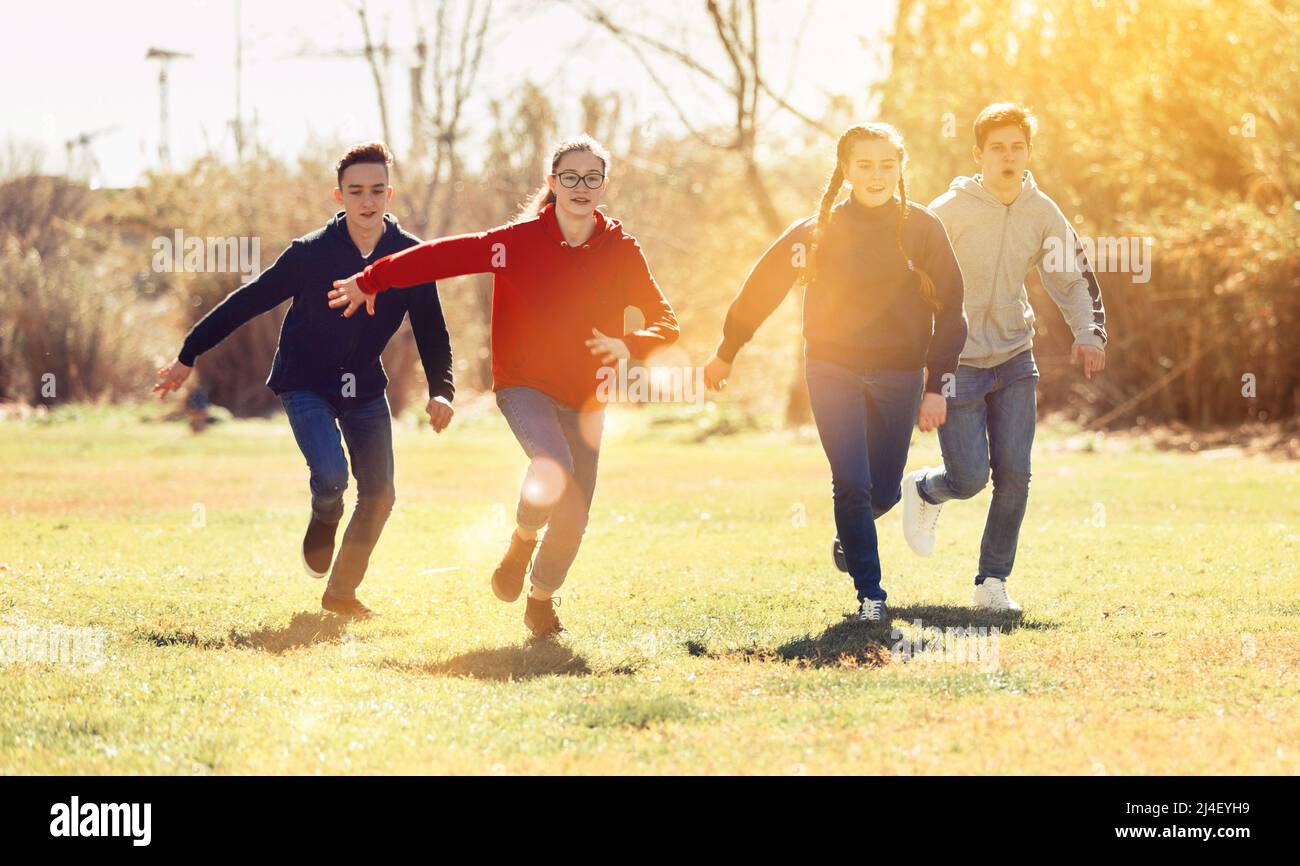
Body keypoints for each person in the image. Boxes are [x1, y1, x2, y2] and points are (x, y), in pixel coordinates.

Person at [329, 135, 679, 638]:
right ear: (552, 183)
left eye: (593, 178)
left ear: (604, 185)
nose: (582, 187)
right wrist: (372, 278)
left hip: (587, 394)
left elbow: (666, 321)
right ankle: (523, 536)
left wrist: (632, 343)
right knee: (552, 465)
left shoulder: (621, 248)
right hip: (525, 384)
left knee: (576, 512)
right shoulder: (514, 243)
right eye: (571, 177)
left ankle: (540, 599)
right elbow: (439, 258)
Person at [154, 142, 455, 620]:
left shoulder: (410, 257)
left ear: (390, 194)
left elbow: (432, 331)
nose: (367, 201)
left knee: (380, 495)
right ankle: (325, 513)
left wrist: (442, 390)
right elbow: (248, 300)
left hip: (365, 387)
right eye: (355, 191)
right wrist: (189, 353)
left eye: (377, 190)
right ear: (339, 196)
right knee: (333, 477)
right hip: (305, 382)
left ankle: (340, 593)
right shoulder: (310, 254)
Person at [702, 123, 967, 622]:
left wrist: (937, 383)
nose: (876, 175)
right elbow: (763, 288)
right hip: (833, 369)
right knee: (850, 482)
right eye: (864, 165)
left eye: (887, 164)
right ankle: (871, 596)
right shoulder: (816, 232)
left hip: (900, 373)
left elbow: (953, 309)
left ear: (901, 167)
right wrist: (727, 349)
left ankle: (852, 537)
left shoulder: (922, 228)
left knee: (883, 490)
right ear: (845, 170)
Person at [900, 102, 1109, 612]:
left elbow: (1069, 273)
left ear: (1028, 153)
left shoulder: (1042, 211)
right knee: (970, 478)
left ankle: (991, 583)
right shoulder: (949, 210)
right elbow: (905, 271)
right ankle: (927, 489)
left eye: (1017, 147)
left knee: (1015, 474)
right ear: (979, 154)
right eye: (997, 148)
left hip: (1016, 355)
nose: (1008, 157)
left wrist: (1089, 331)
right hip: (959, 360)